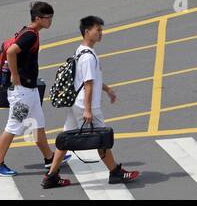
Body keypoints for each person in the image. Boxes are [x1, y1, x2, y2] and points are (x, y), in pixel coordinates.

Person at [43, 16, 139, 188]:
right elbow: (87, 84)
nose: (101, 33)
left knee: (65, 138)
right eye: (98, 30)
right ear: (87, 32)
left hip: (77, 104)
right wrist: (88, 110)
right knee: (102, 138)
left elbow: (89, 80)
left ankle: (51, 177)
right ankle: (115, 172)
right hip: (87, 105)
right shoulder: (88, 57)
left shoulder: (82, 50)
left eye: (101, 30)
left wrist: (107, 89)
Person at [0, 1, 57, 177]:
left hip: (30, 91)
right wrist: (15, 75)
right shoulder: (31, 35)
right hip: (22, 92)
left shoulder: (28, 31)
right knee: (13, 127)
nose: (50, 21)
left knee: (38, 125)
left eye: (51, 17)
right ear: (38, 18)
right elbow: (12, 51)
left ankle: (49, 158)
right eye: (48, 18)